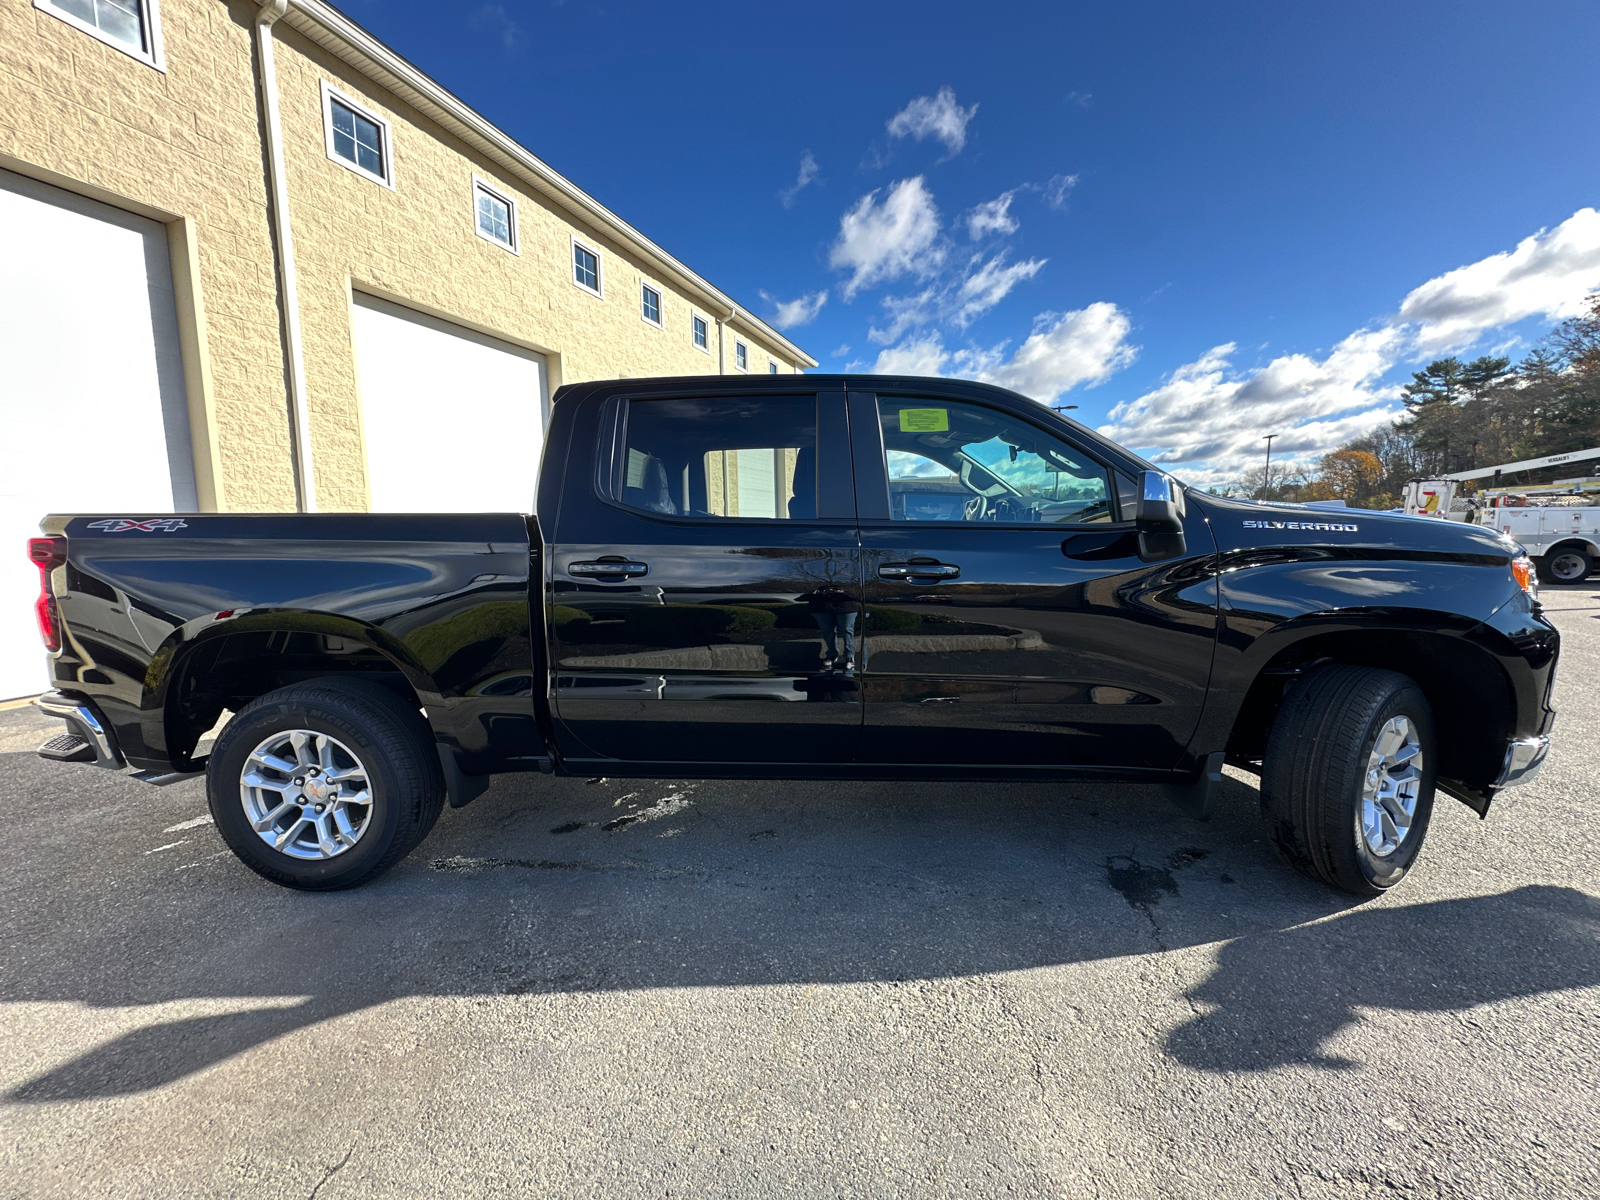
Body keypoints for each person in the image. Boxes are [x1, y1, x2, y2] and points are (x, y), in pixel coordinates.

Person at [798, 583, 858, 673]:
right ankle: (831, 655)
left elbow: (856, 597)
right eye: (827, 589)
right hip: (823, 610)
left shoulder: (845, 592)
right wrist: (815, 594)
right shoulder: (819, 593)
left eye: (832, 589)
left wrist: (840, 593)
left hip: (846, 609)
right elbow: (800, 598)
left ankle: (849, 657)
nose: (830, 591)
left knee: (846, 630)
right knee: (827, 631)